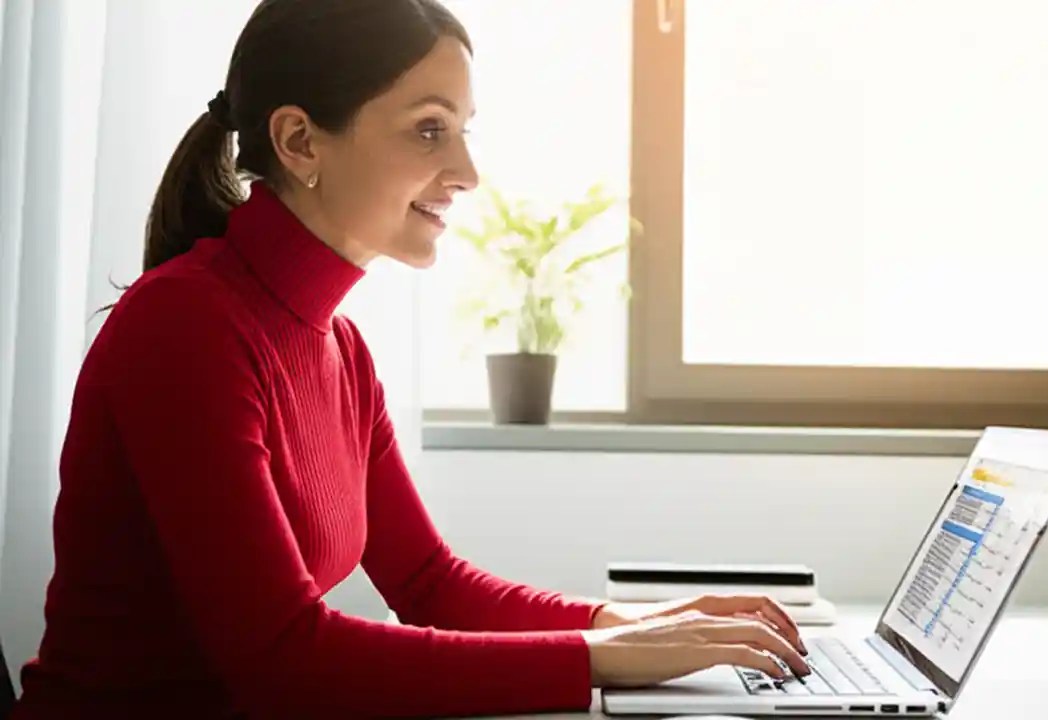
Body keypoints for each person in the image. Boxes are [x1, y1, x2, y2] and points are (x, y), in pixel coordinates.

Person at [12, 1, 809, 718]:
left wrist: (639, 626)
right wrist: (600, 661)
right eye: (431, 130)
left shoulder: (340, 349)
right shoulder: (185, 326)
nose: (466, 172)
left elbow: (430, 584)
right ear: (299, 141)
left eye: (465, 130)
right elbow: (286, 662)